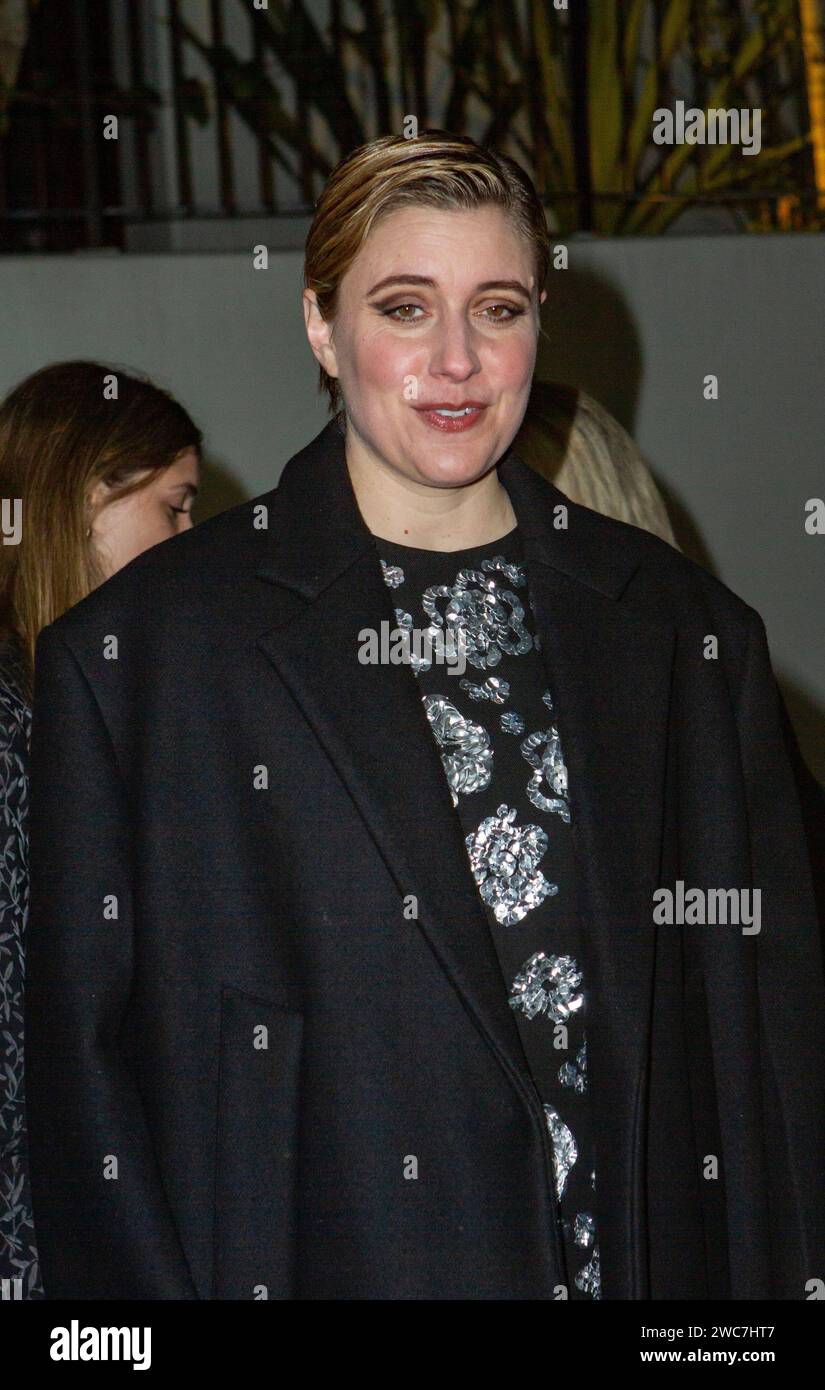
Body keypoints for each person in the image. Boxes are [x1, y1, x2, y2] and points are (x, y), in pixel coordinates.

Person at [24, 133, 825, 1300]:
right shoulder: (146, 659)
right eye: (405, 307)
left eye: (498, 308)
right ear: (320, 325)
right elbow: (86, 1114)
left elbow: (775, 1067)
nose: (457, 360)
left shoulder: (684, 636)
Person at [0, 361, 201, 1299]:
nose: (190, 541)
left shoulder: (60, 709)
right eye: (175, 507)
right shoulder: (23, 728)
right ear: (87, 497)